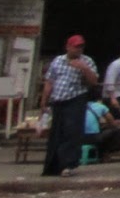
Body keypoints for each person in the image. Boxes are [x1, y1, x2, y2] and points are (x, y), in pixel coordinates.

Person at [41, 35, 99, 177]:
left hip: (75, 99)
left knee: (71, 132)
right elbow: (50, 82)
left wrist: (84, 69)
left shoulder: (87, 61)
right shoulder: (58, 61)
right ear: (68, 47)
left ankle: (67, 164)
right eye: (75, 46)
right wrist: (44, 101)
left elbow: (94, 82)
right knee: (57, 133)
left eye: (81, 47)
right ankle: (53, 166)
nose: (78, 49)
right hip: (58, 100)